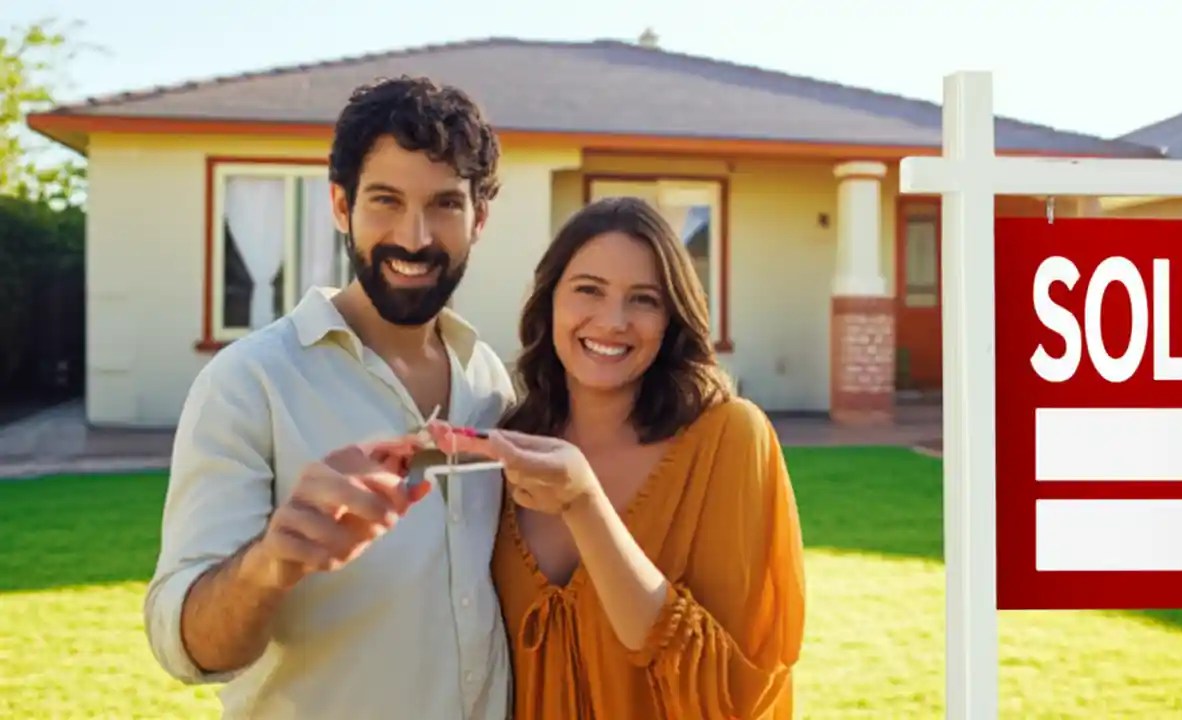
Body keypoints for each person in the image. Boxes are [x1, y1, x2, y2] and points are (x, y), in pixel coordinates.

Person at [143, 76, 516, 719]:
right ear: (341, 207)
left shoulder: (489, 383)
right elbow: (184, 645)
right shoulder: (249, 382)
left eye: (445, 205)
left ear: (479, 218)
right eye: (385, 201)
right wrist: (271, 561)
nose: (416, 236)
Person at [429, 196, 807, 719]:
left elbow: (733, 690)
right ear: (550, 301)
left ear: (672, 316)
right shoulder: (510, 439)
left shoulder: (729, 439)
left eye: (644, 299)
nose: (613, 321)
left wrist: (584, 504)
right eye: (588, 290)